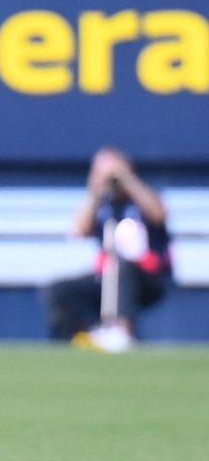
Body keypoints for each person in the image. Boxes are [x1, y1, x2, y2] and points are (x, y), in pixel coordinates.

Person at [45, 147, 171, 351]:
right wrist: (96, 190)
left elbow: (159, 214)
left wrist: (126, 179)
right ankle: (82, 336)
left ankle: (123, 333)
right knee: (59, 290)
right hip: (107, 277)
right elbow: (79, 230)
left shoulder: (141, 197)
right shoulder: (102, 204)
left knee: (122, 267)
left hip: (148, 276)